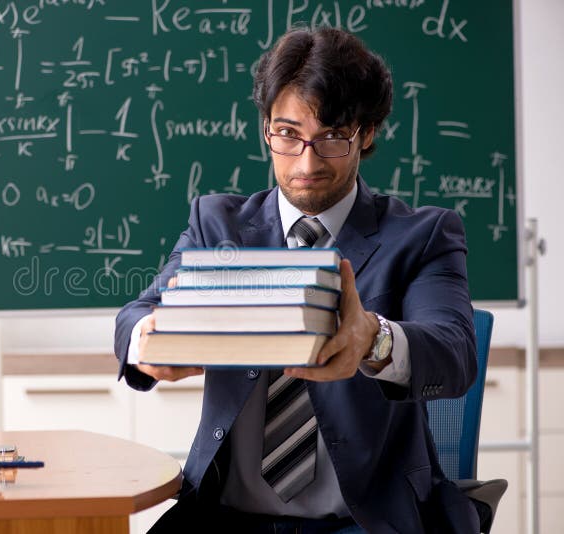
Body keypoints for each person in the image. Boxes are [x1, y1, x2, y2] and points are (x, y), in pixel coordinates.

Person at [115, 27, 481, 534]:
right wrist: (148, 341)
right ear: (266, 127)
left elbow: (455, 351)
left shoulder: (421, 236)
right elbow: (136, 315)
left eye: (332, 136)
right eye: (288, 134)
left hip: (364, 519)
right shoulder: (216, 225)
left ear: (367, 132)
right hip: (223, 520)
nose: (306, 163)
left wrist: (372, 340)